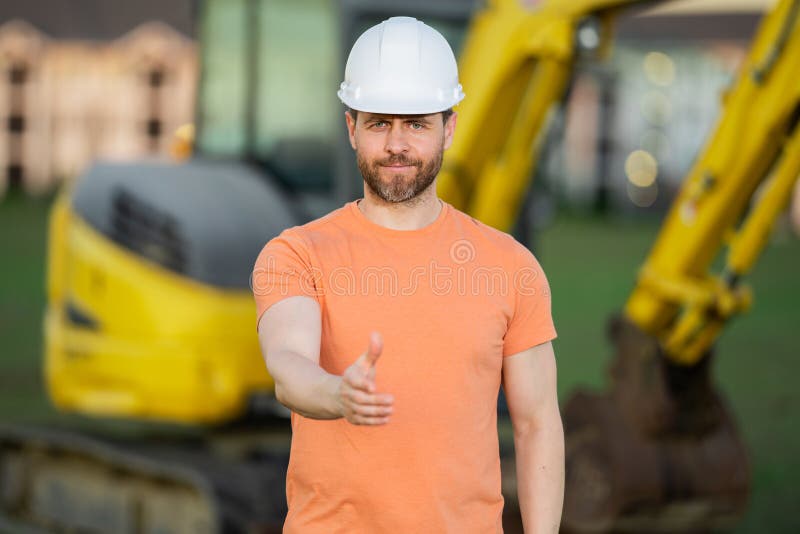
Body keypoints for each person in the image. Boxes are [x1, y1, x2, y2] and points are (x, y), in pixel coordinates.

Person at [252, 16, 564, 533]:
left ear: (450, 127)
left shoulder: (513, 267)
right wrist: (337, 394)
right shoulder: (297, 254)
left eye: (416, 123)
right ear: (351, 128)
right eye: (379, 122)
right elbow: (288, 364)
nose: (397, 143)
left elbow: (537, 424)